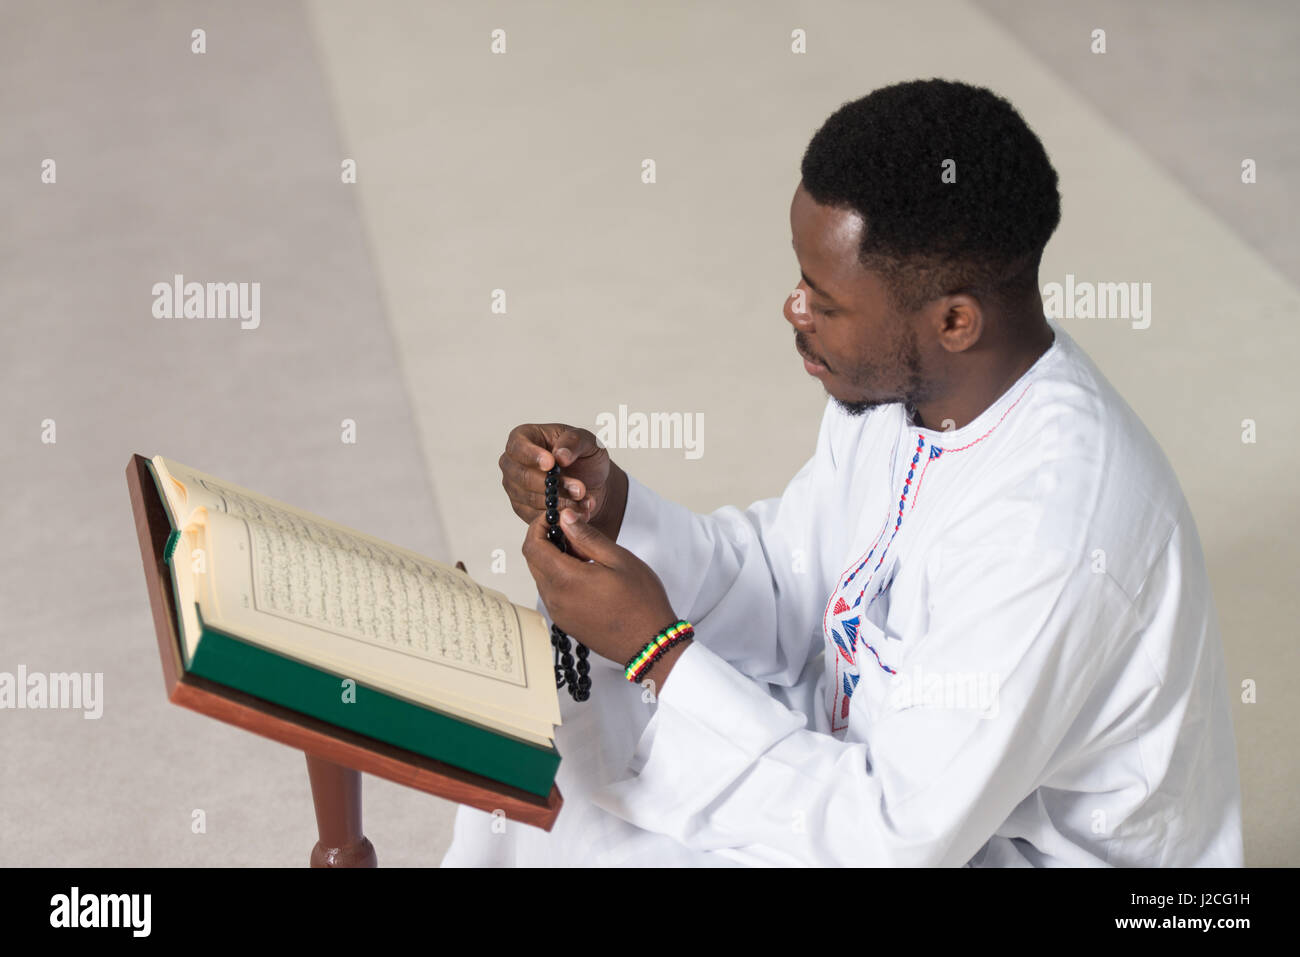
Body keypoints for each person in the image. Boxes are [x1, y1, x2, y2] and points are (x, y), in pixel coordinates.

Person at [441, 78, 1243, 867]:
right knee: (549, 731)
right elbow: (798, 590)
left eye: (823, 301)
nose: (793, 311)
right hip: (874, 759)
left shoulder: (1055, 529)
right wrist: (612, 511)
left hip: (985, 844)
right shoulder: (903, 393)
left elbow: (895, 838)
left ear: (954, 320)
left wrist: (660, 651)